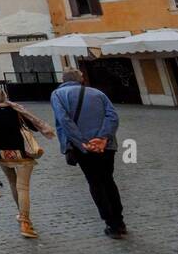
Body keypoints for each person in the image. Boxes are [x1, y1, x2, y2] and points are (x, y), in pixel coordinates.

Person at [51, 69, 126, 238]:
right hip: (106, 146)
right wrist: (102, 138)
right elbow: (112, 116)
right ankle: (119, 221)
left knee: (95, 183)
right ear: (81, 79)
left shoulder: (58, 95)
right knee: (108, 180)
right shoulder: (98, 93)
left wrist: (82, 142)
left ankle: (111, 224)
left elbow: (64, 121)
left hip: (83, 148)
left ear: (63, 80)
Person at [0, 82, 54, 239]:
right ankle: (25, 221)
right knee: (23, 187)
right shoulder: (14, 109)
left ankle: (22, 215)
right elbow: (33, 127)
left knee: (13, 184)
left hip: (2, 154)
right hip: (22, 152)